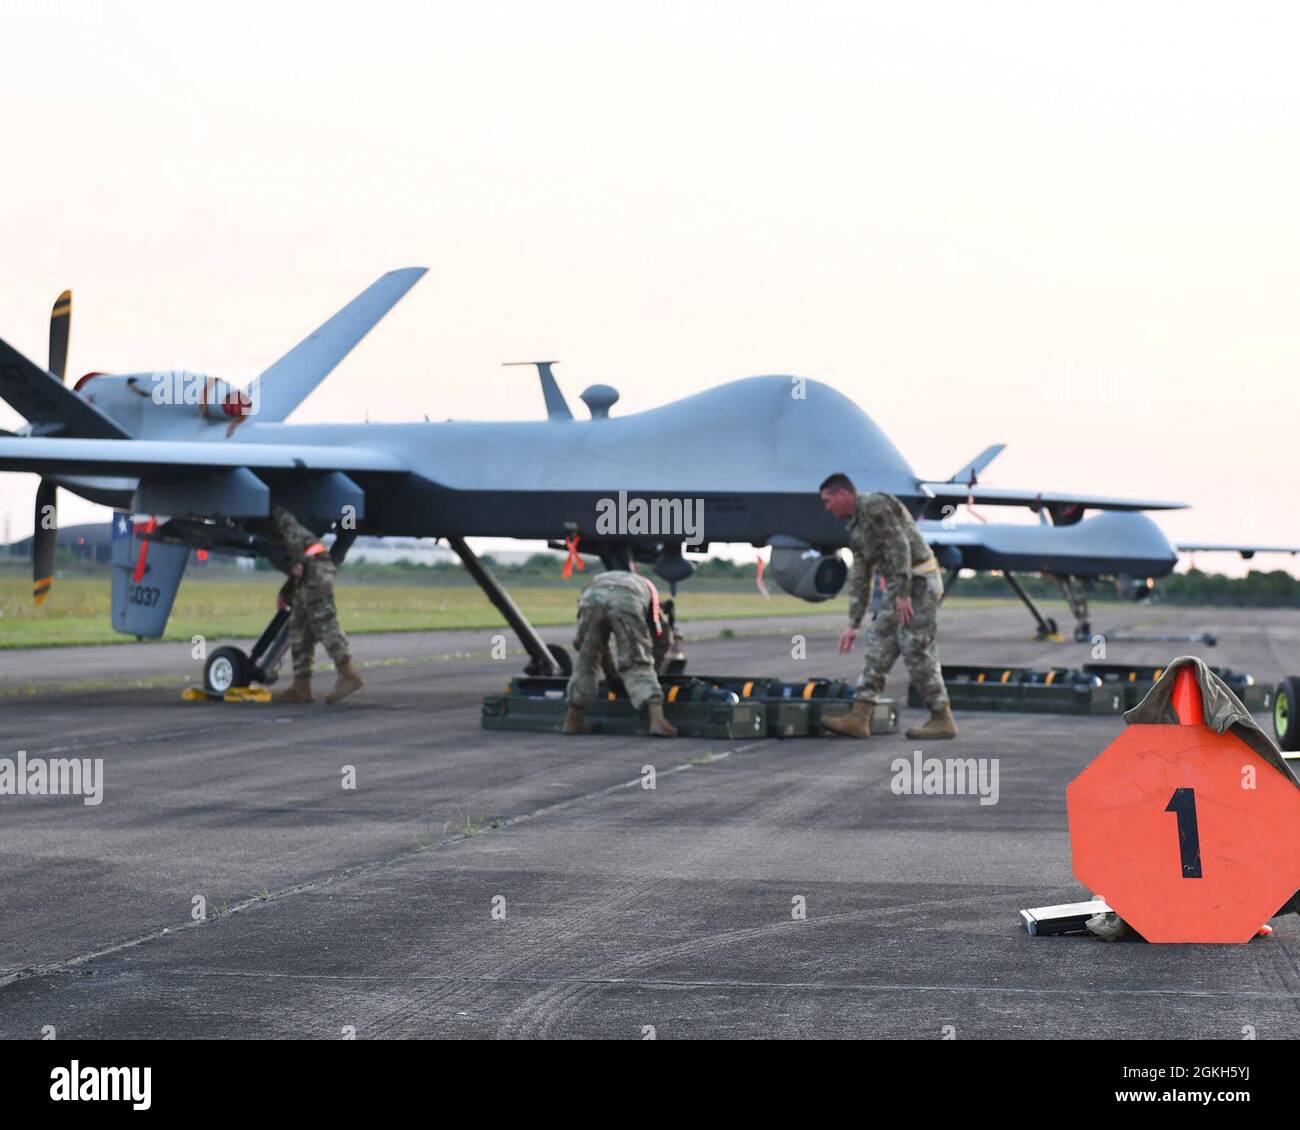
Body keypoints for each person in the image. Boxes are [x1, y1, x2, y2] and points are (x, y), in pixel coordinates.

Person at [817, 472, 956, 740]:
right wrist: (853, 624)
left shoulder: (874, 505)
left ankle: (942, 717)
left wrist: (903, 593)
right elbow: (861, 579)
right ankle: (860, 716)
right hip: (900, 588)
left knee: (915, 646)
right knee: (878, 642)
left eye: (828, 501)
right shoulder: (856, 529)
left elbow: (900, 545)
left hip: (919, 582)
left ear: (843, 494)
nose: (827, 508)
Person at [249, 505, 364, 705]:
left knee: (324, 623)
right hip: (310, 574)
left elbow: (300, 563)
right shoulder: (280, 534)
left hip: (315, 574)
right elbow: (298, 568)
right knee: (299, 630)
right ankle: (301, 687)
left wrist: (297, 570)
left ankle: (348, 674)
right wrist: (287, 590)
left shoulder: (287, 525)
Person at [563, 569, 678, 737]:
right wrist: (656, 665)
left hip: (591, 596)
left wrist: (612, 675)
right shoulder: (651, 591)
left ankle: (573, 718)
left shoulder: (604, 578)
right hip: (627, 600)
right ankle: (657, 720)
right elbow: (661, 636)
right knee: (637, 659)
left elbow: (596, 648)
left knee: (586, 659)